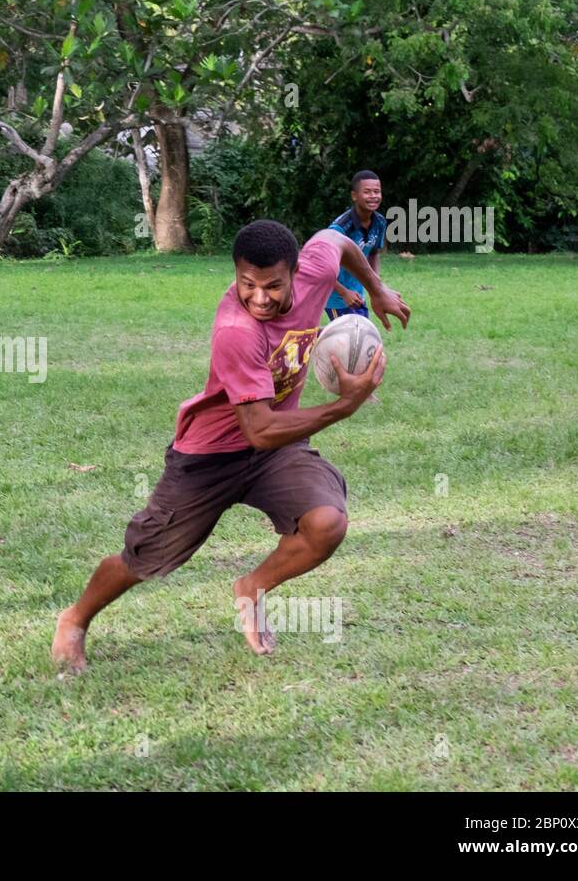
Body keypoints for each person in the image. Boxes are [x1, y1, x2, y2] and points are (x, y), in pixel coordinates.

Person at [51, 220, 410, 670]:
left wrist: (375, 289)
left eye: (273, 286)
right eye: (248, 285)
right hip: (211, 454)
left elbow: (336, 241)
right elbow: (257, 428)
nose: (260, 298)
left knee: (327, 523)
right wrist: (344, 407)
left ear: (297, 272)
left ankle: (253, 587)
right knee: (145, 558)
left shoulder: (317, 269)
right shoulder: (237, 330)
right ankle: (75, 618)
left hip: (276, 449)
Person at [325, 170, 387, 321]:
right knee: (349, 339)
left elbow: (373, 254)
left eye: (376, 191)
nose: (373, 196)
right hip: (336, 297)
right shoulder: (340, 229)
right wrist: (344, 292)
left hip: (358, 294)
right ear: (354, 196)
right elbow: (324, 267)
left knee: (361, 337)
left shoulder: (379, 222)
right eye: (367, 192)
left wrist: (375, 286)